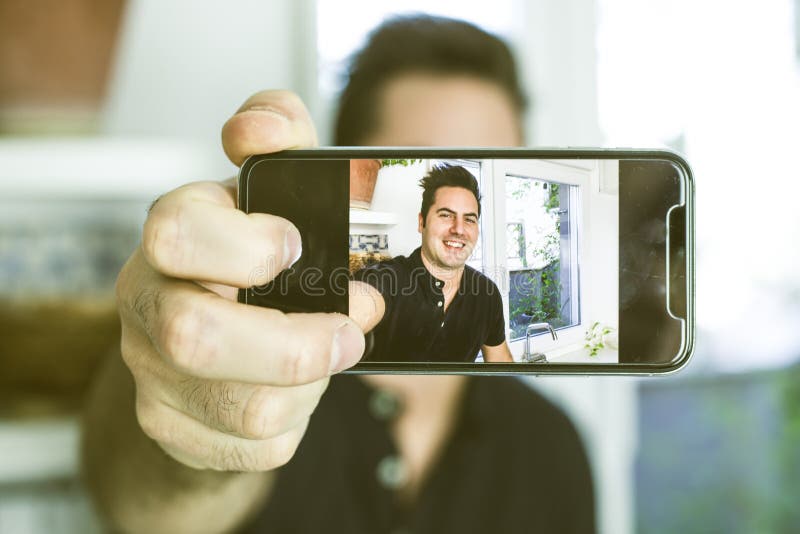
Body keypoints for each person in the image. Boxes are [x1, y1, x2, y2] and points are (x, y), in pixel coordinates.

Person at [82, 14, 596, 533]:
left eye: (476, 201)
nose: (459, 228)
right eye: (439, 192)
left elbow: (499, 355)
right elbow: (142, 505)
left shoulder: (552, 447)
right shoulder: (283, 338)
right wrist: (192, 418)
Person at [354, 163, 514, 362]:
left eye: (469, 219)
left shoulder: (487, 294)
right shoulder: (387, 278)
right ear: (422, 223)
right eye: (446, 215)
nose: (459, 229)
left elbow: (501, 363)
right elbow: (360, 302)